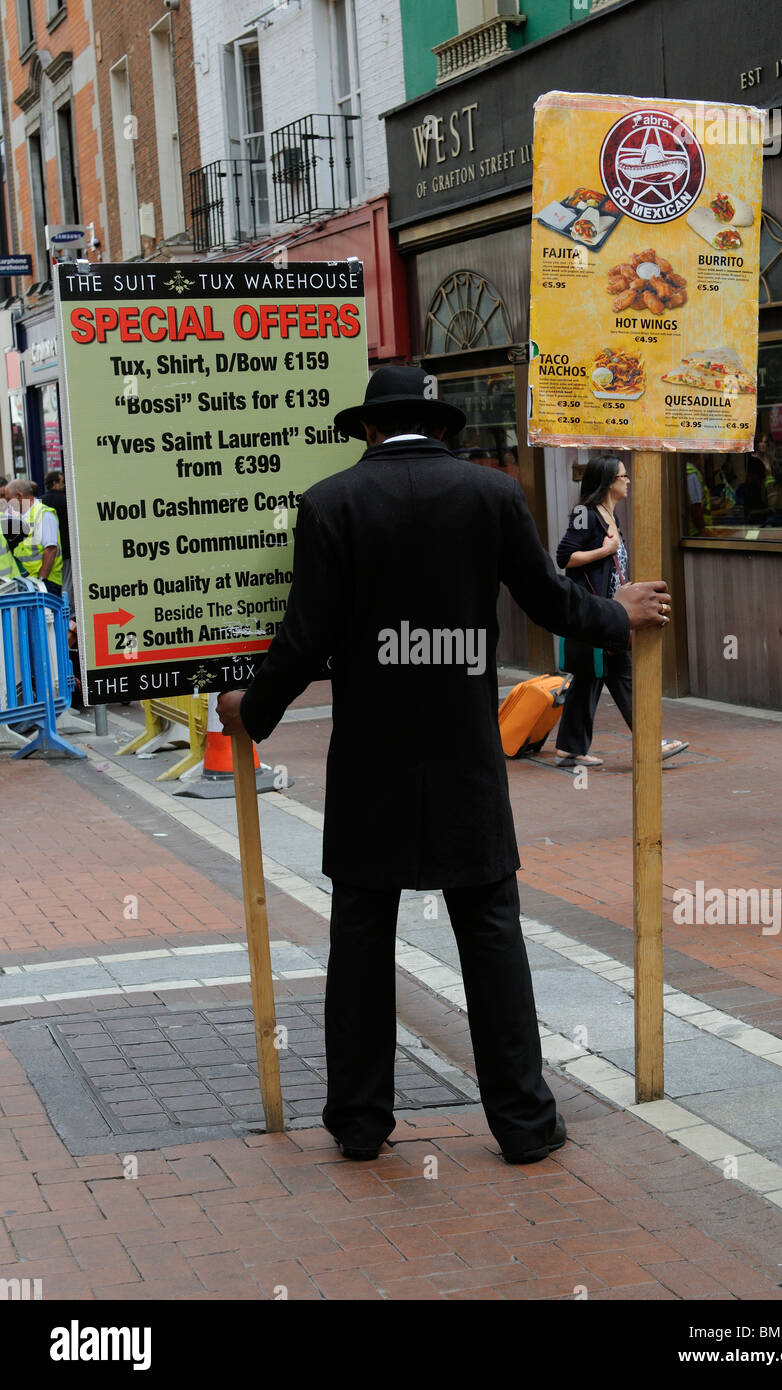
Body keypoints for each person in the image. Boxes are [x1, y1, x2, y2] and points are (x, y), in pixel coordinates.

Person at [217, 366, 671, 1164]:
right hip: (463, 747)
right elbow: (549, 603)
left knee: (361, 934)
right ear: (440, 428)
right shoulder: (491, 496)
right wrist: (616, 614)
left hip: (369, 753)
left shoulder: (330, 502)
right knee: (489, 930)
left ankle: (359, 1122)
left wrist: (251, 713)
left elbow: (305, 635)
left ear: (367, 429)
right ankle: (525, 1125)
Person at [554, 453, 688, 767]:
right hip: (598, 614)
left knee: (591, 677)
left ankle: (569, 747)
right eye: (622, 476)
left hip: (610, 612)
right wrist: (606, 549)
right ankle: (650, 742)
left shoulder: (610, 515)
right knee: (623, 674)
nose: (627, 481)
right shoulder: (586, 514)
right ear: (608, 482)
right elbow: (564, 557)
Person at [3, 479, 63, 596]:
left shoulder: (44, 514)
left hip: (45, 583)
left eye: (9, 499)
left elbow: (51, 549)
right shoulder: (17, 517)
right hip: (27, 583)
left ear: (19, 496)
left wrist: (41, 580)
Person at [41, 470, 74, 611]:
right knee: (68, 582)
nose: (64, 484)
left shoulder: (41, 501)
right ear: (54, 483)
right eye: (62, 481)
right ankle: (68, 611)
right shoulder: (66, 500)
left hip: (48, 550)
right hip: (66, 548)